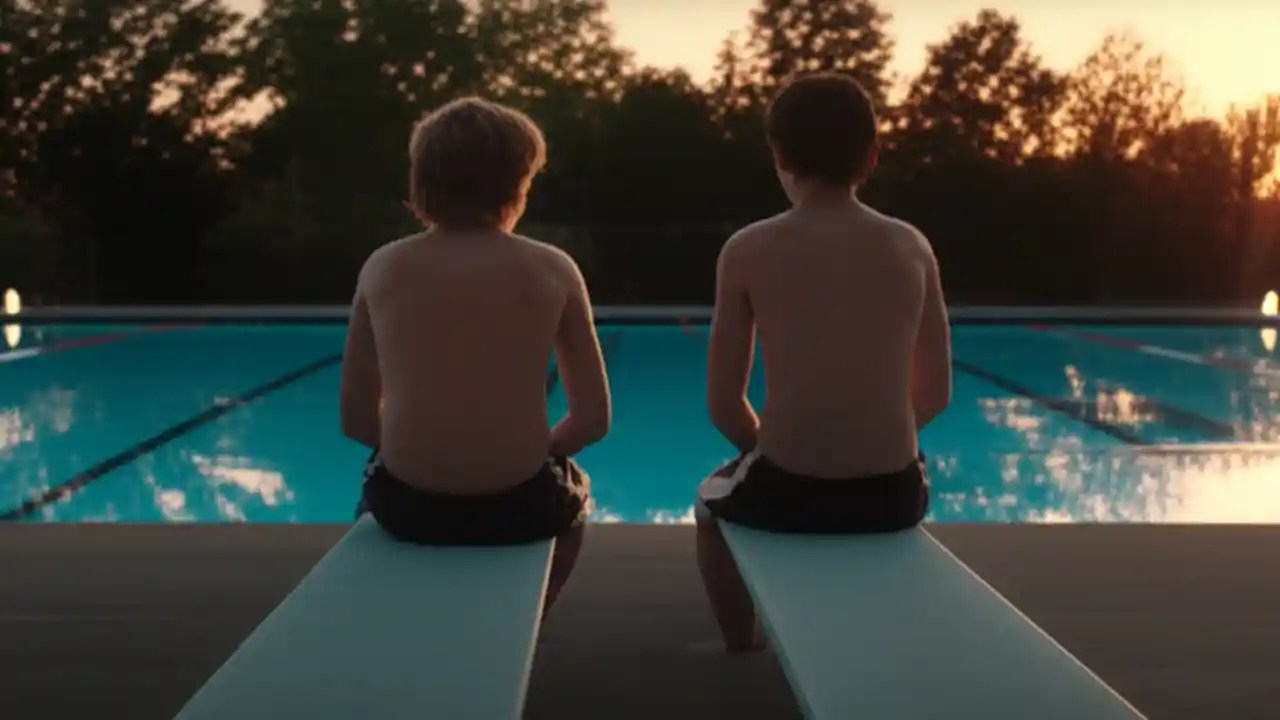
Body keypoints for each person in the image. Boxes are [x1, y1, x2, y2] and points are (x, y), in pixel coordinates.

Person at [695, 72, 953, 652]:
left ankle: (740, 642)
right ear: (871, 156)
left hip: (788, 489)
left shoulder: (747, 249)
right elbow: (935, 394)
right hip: (891, 495)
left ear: (780, 155)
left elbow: (723, 404)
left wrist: (769, 448)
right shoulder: (911, 246)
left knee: (708, 509)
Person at [339, 97, 611, 616]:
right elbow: (592, 420)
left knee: (370, 490)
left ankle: (387, 596)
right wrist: (530, 452)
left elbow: (355, 420)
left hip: (407, 511)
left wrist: (416, 449)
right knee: (577, 497)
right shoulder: (553, 269)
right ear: (519, 184)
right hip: (520, 508)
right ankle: (536, 613)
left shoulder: (383, 267)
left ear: (421, 181)